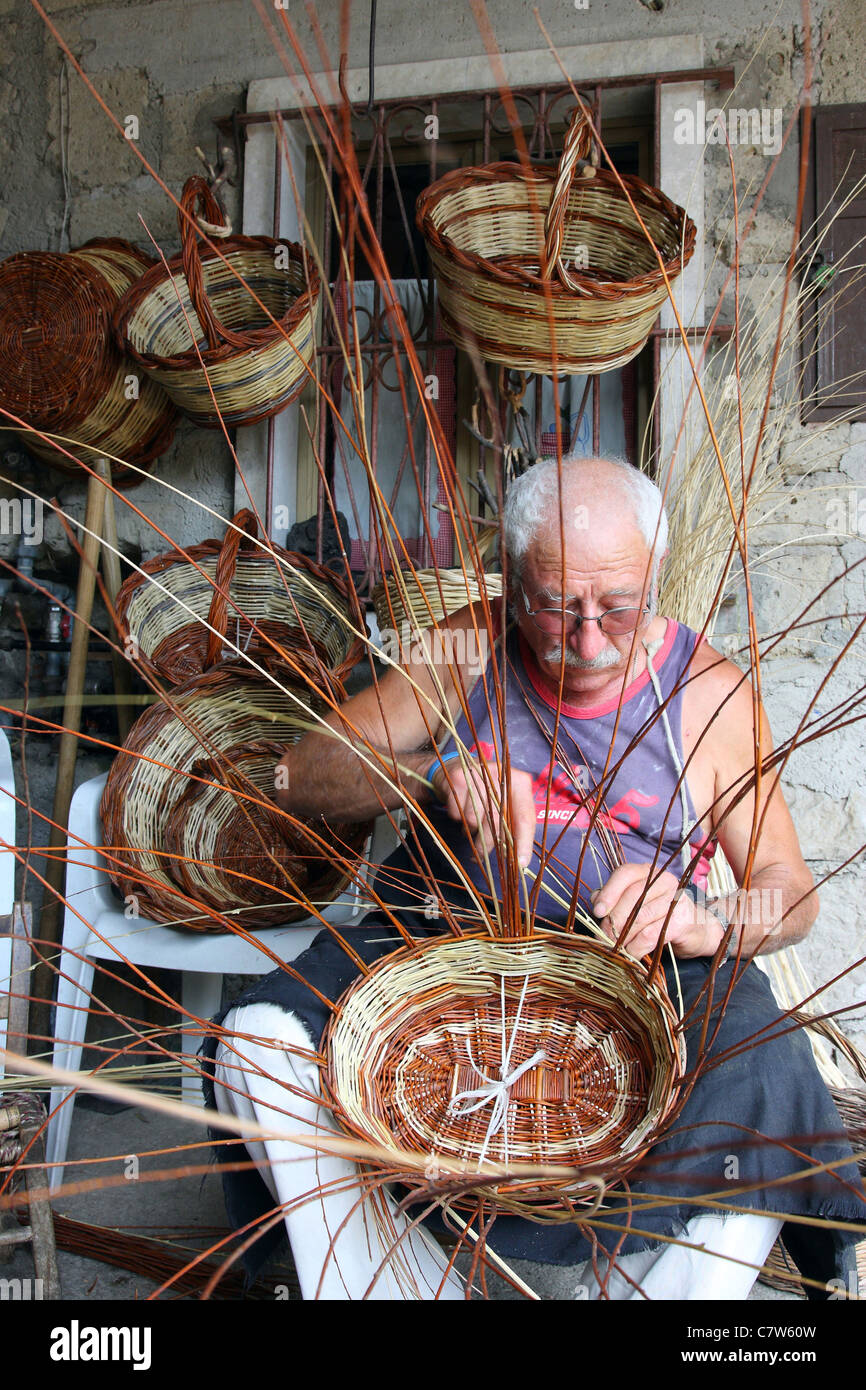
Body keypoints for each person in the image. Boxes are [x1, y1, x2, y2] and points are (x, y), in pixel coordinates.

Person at [203, 455, 865, 1300]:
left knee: (766, 1085)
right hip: (438, 936)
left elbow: (791, 889)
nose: (588, 642)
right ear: (512, 584)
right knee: (260, 1040)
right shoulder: (465, 645)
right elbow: (301, 771)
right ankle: (401, 1286)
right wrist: (427, 774)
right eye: (555, 608)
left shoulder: (710, 694)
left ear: (655, 576)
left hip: (648, 968)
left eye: (617, 608)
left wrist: (705, 920)